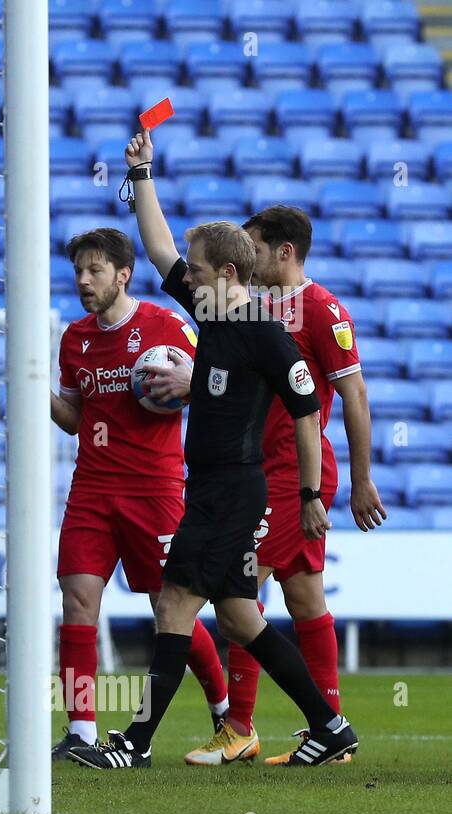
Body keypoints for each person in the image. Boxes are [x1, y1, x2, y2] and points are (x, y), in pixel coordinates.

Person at [67, 129, 359, 769]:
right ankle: (331, 726)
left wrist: (311, 495)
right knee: (241, 621)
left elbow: (309, 412)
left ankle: (133, 744)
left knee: (173, 603)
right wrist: (142, 175)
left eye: (197, 269)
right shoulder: (214, 312)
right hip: (216, 487)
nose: (185, 275)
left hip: (232, 490)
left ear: (228, 274)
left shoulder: (266, 333)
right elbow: (159, 246)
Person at [143, 205, 385, 765]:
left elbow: (352, 395)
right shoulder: (228, 306)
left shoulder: (320, 311)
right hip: (253, 468)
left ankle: (242, 727)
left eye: (255, 245)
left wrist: (358, 479)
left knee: (243, 595)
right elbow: (166, 256)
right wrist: (141, 179)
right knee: (301, 596)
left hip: (281, 474)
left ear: (283, 251)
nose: (246, 256)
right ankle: (326, 726)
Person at [50, 227, 228, 760]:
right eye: (79, 271)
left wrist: (191, 383)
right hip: (92, 488)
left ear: (123, 274)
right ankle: (81, 732)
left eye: (95, 270)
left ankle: (223, 709)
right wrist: (36, 389)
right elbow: (75, 420)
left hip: (155, 489)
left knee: (168, 609)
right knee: (78, 600)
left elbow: (214, 381)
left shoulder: (165, 324)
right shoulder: (75, 339)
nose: (84, 280)